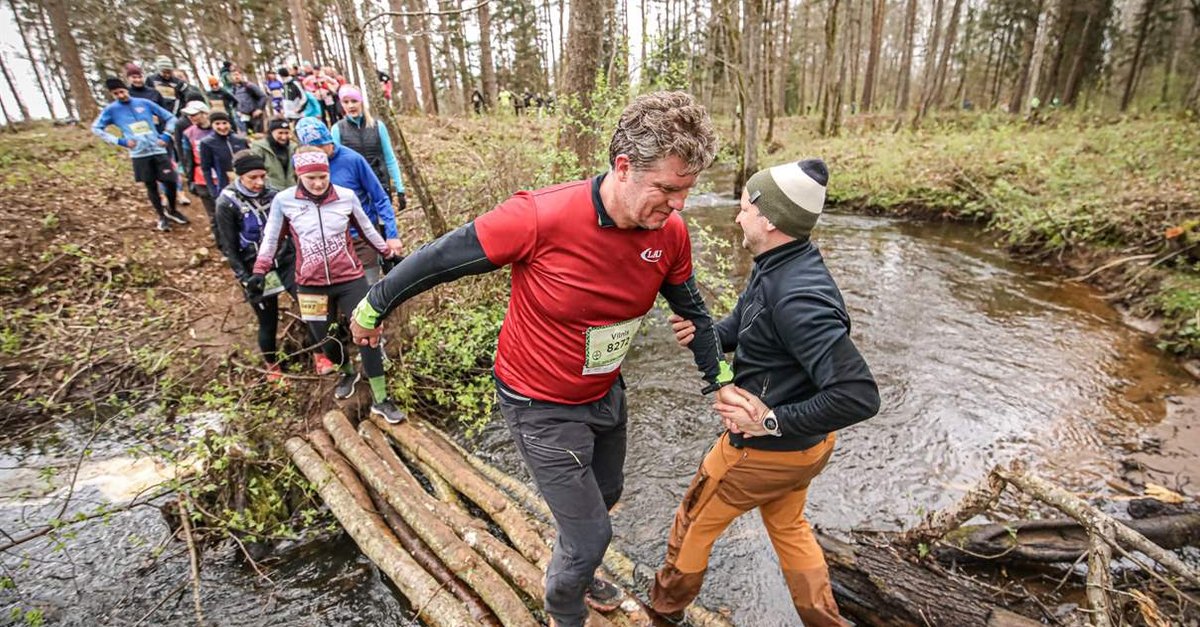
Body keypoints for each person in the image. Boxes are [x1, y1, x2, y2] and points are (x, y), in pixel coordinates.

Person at [348, 91, 732, 627]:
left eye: (687, 191)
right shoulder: (540, 216)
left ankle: (576, 559)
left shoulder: (670, 234)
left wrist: (721, 379)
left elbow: (694, 310)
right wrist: (373, 304)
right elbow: (441, 259)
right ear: (623, 168)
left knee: (608, 496)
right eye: (668, 189)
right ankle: (563, 608)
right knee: (591, 530)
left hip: (605, 391)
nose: (679, 205)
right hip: (540, 403)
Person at [649, 160, 881, 626]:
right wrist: (705, 335)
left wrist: (768, 421)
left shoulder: (797, 297)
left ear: (770, 218)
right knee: (790, 527)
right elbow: (745, 327)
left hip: (763, 453)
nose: (738, 218)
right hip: (807, 451)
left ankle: (662, 610)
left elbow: (859, 395)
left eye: (743, 208)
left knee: (694, 523)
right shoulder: (781, 264)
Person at [250, 147, 403, 419]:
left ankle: (381, 398)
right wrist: (260, 270)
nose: (319, 183)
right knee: (326, 341)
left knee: (368, 335)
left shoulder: (346, 196)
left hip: (350, 278)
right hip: (310, 284)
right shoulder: (284, 201)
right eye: (312, 179)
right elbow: (271, 238)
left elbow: (367, 229)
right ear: (299, 176)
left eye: (324, 176)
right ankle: (347, 373)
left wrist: (388, 254)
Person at [295, 117, 402, 284]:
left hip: (362, 237)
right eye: (313, 151)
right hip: (329, 241)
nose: (319, 155)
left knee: (368, 288)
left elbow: (380, 198)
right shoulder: (304, 166)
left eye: (322, 148)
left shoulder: (352, 160)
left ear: (329, 140)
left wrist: (391, 234)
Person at [92, 77, 186, 232]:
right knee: (151, 186)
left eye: (122, 91)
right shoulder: (112, 110)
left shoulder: (144, 103)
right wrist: (120, 141)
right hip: (139, 153)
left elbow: (170, 117)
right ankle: (161, 216)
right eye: (116, 94)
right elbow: (96, 128)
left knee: (170, 181)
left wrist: (166, 135)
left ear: (126, 89)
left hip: (157, 149)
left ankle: (172, 210)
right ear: (112, 94)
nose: (121, 96)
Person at [331, 85, 406, 212]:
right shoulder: (337, 129)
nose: (350, 106)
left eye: (354, 101)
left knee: (384, 228)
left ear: (361, 101)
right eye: (346, 102)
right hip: (354, 189)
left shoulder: (378, 126)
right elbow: (336, 165)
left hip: (380, 184)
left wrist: (400, 189)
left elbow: (389, 158)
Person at [180, 101, 219, 241]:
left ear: (204, 113)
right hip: (201, 177)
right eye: (189, 115)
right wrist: (190, 179)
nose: (192, 118)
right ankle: (221, 243)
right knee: (213, 213)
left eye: (194, 114)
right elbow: (187, 158)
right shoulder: (188, 133)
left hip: (222, 176)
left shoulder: (219, 127)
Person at [199, 111, 251, 200]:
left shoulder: (240, 140)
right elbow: (206, 168)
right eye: (217, 124)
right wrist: (213, 190)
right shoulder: (207, 143)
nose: (222, 127)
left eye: (224, 123)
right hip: (225, 185)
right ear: (212, 125)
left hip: (247, 184)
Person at [250, 118, 296, 191]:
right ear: (271, 132)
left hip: (291, 190)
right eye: (280, 133)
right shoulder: (259, 148)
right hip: (269, 190)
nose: (284, 137)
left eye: (286, 133)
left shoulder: (293, 148)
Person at [231, 70, 269, 135]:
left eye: (237, 74)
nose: (236, 77)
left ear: (241, 75)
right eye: (234, 75)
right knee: (247, 137)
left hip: (255, 116)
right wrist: (237, 111)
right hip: (243, 117)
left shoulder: (249, 86)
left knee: (258, 135)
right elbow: (234, 103)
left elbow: (263, 96)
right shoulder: (234, 89)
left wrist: (259, 109)